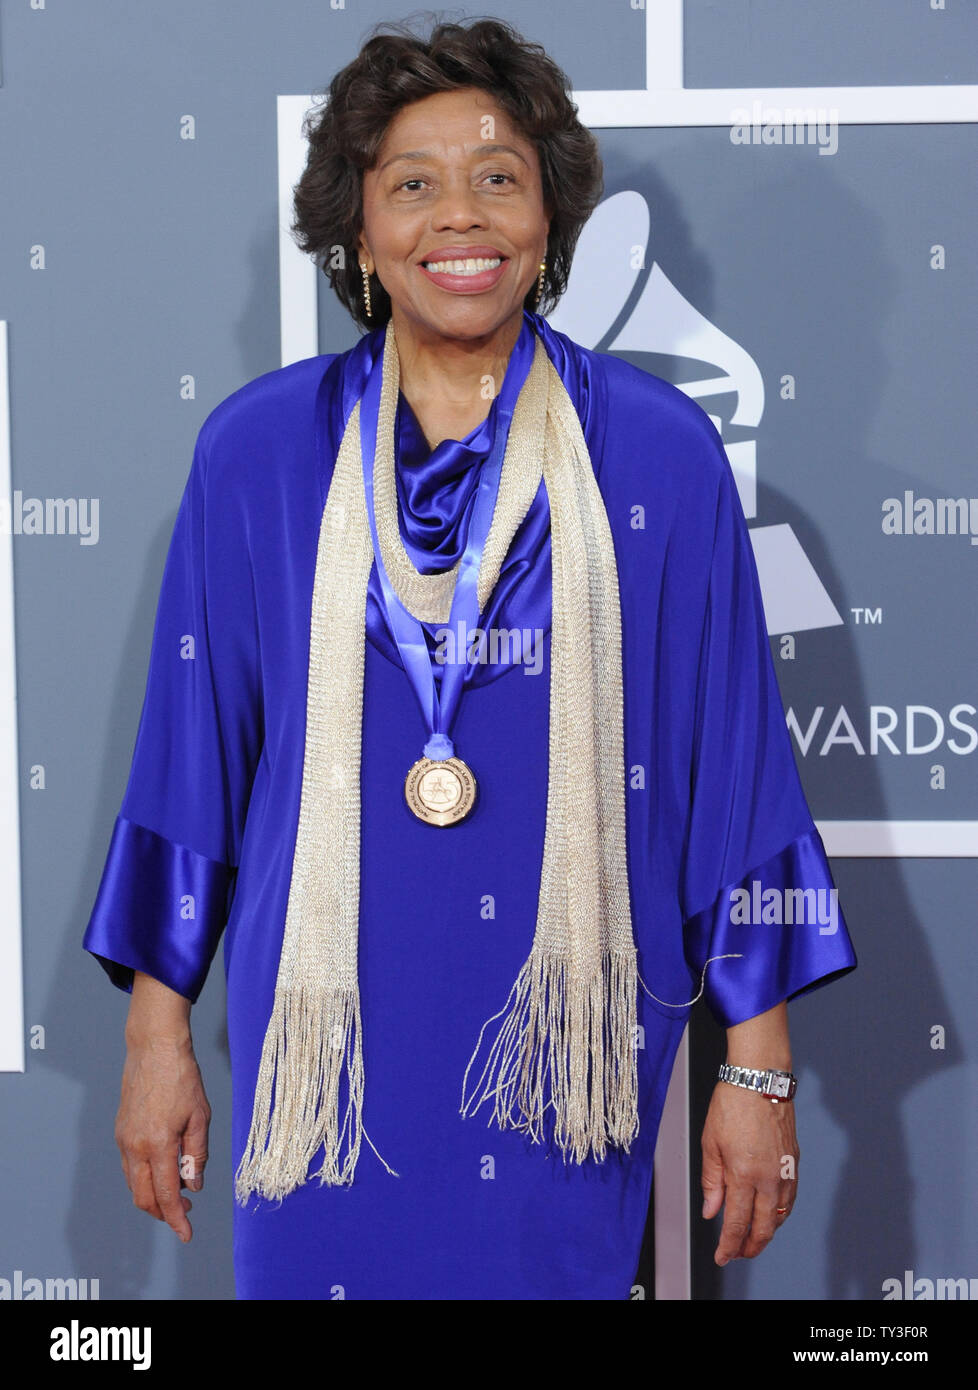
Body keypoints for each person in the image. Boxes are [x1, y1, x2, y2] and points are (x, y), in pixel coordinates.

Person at [83, 16, 856, 1301]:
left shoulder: (657, 454)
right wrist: (156, 1034)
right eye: (413, 183)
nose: (463, 215)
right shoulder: (258, 453)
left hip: (564, 1056)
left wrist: (759, 1073)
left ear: (550, 217)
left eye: (500, 176)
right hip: (323, 1050)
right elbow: (190, 771)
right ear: (359, 228)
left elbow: (733, 781)